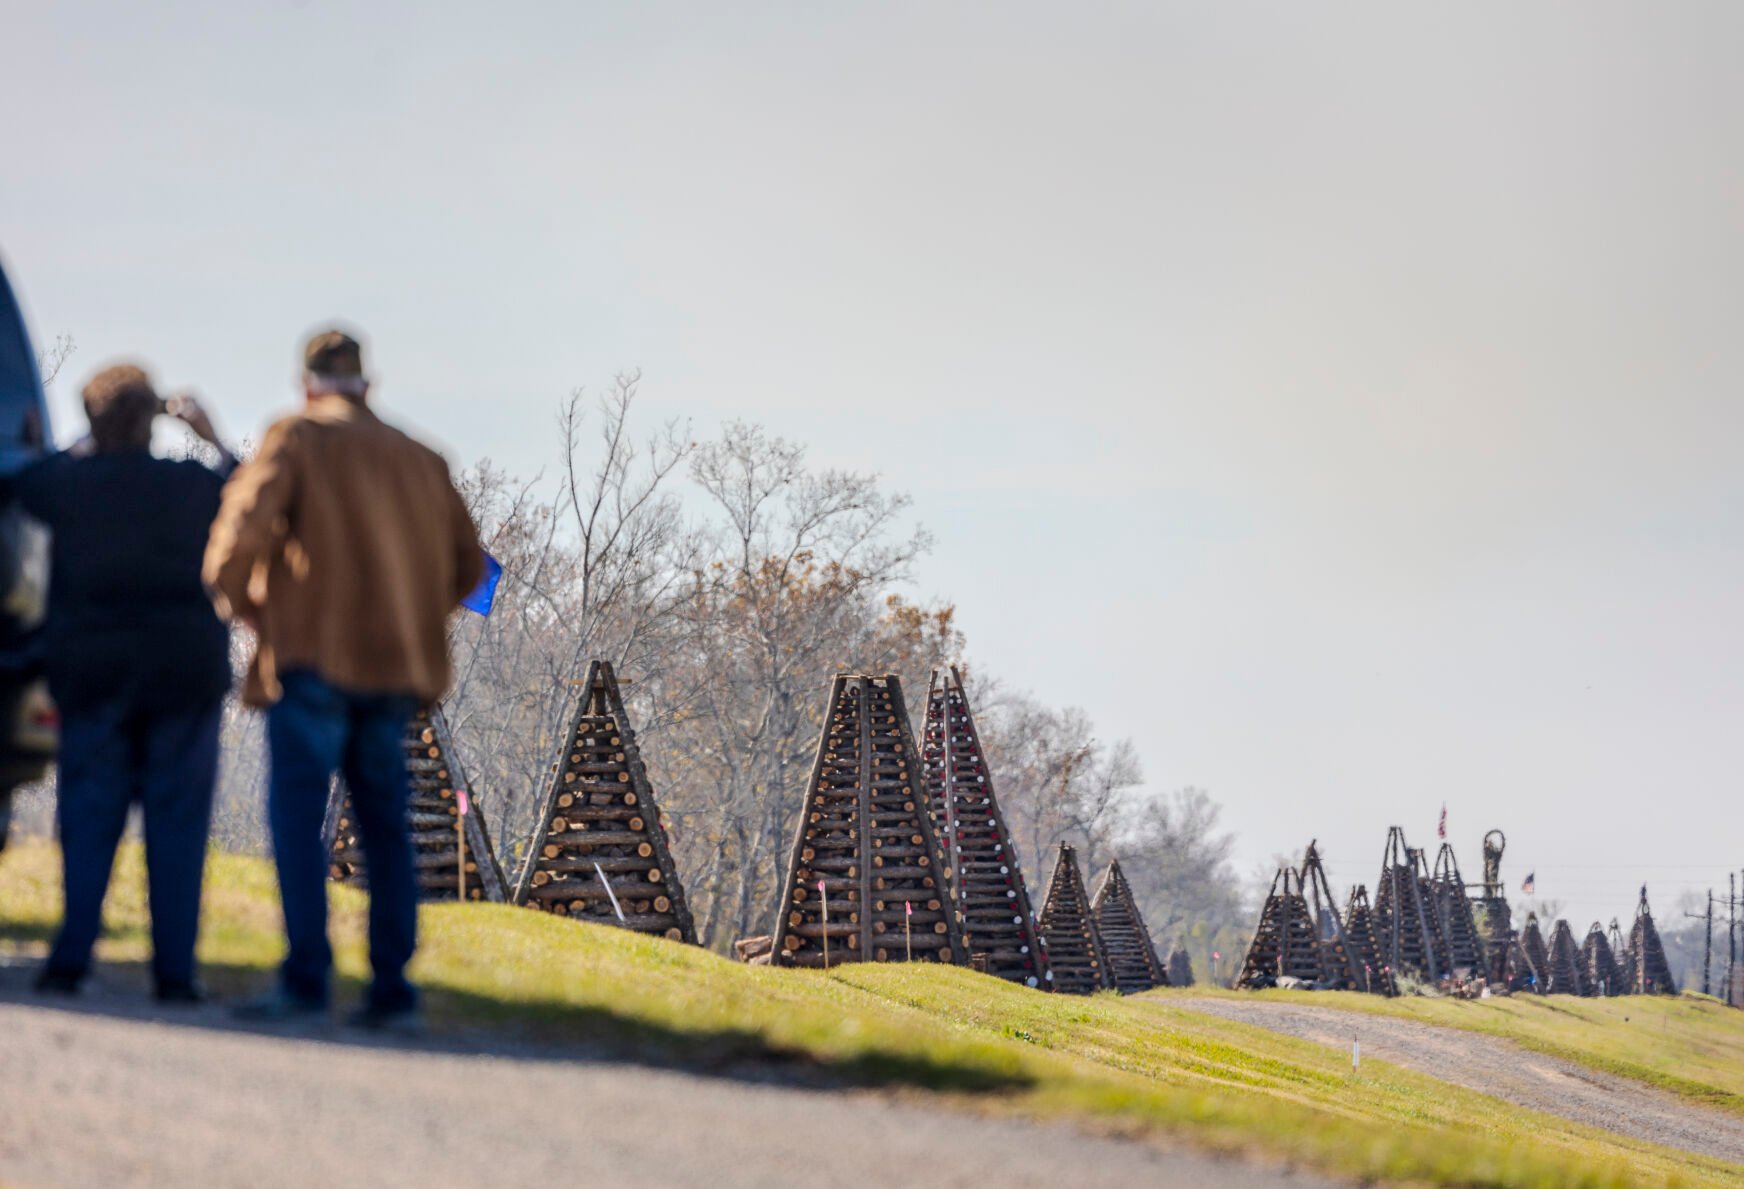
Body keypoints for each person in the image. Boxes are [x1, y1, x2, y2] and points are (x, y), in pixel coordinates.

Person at [204, 328, 483, 1030]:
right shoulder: (420, 458)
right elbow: (468, 569)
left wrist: (259, 617)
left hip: (312, 662)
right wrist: (410, 618)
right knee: (386, 825)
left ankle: (305, 980)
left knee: (299, 823)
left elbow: (233, 548)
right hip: (392, 671)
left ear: (307, 383)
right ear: (367, 383)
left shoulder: (296, 438)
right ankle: (393, 989)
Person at [20, 364, 237, 1001]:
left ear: (91, 422)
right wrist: (208, 432)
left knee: (88, 821)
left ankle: (70, 959)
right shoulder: (191, 484)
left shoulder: (69, 484)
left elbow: (26, 477)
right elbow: (246, 488)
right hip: (182, 676)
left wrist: (79, 442)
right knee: (177, 828)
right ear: (154, 422)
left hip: (93, 677)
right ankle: (175, 974)